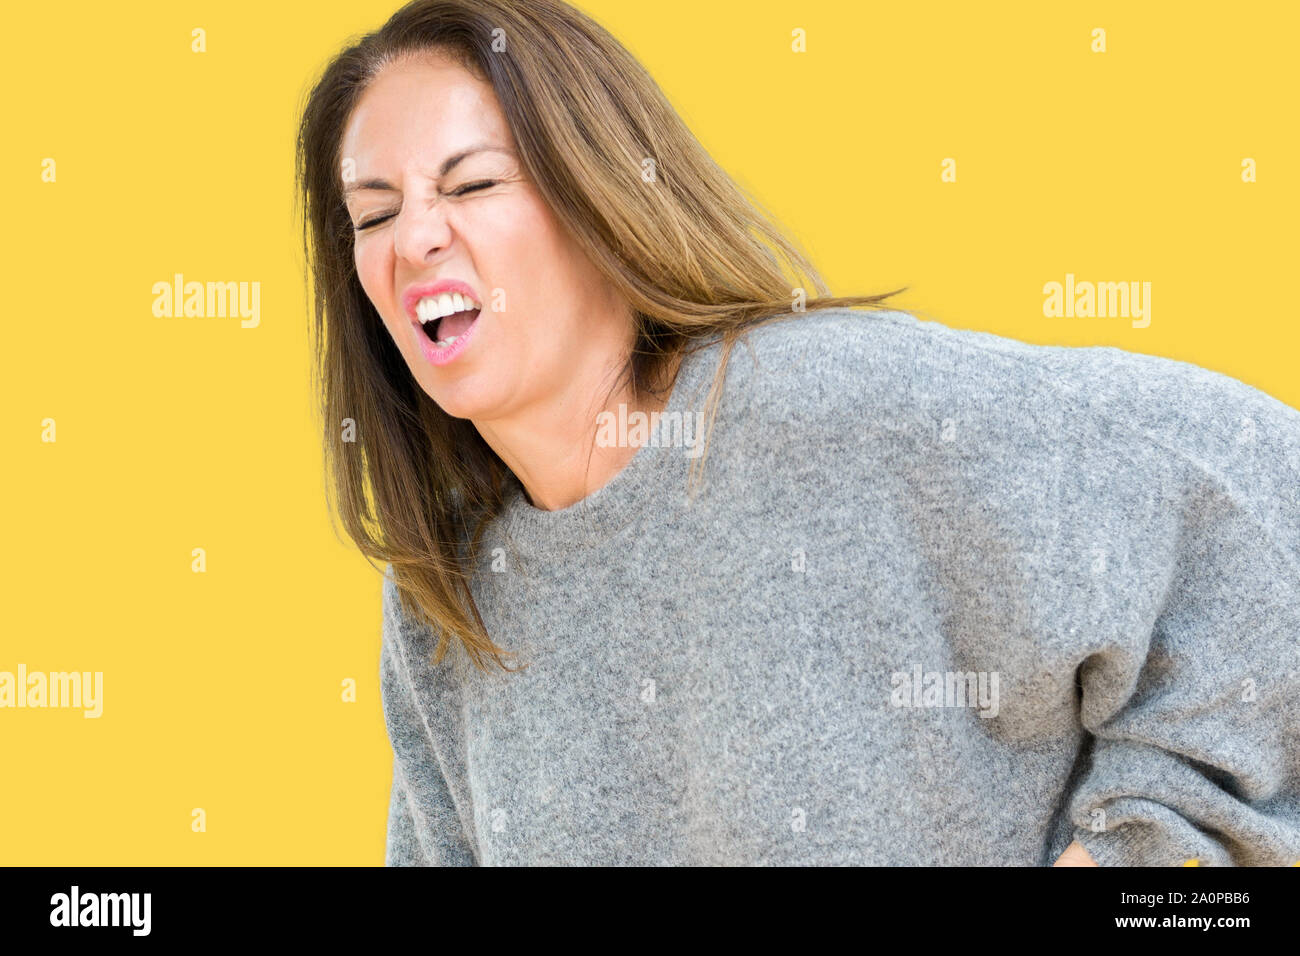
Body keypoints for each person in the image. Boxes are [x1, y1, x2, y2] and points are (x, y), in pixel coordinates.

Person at [294, 0, 1300, 866]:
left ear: (597, 196)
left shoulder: (846, 416)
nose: (415, 237)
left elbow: (1268, 494)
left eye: (471, 185)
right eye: (371, 213)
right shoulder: (446, 587)